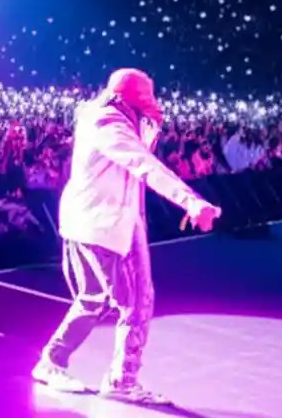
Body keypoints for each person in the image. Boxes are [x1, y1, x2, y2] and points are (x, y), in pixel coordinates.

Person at [32, 68, 222, 405]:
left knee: (93, 298)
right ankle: (122, 379)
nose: (153, 100)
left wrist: (152, 123)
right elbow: (143, 163)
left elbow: (138, 151)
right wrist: (191, 202)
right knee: (136, 302)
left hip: (93, 219)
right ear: (127, 96)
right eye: (146, 94)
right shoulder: (109, 123)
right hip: (107, 222)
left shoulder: (112, 116)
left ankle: (52, 362)